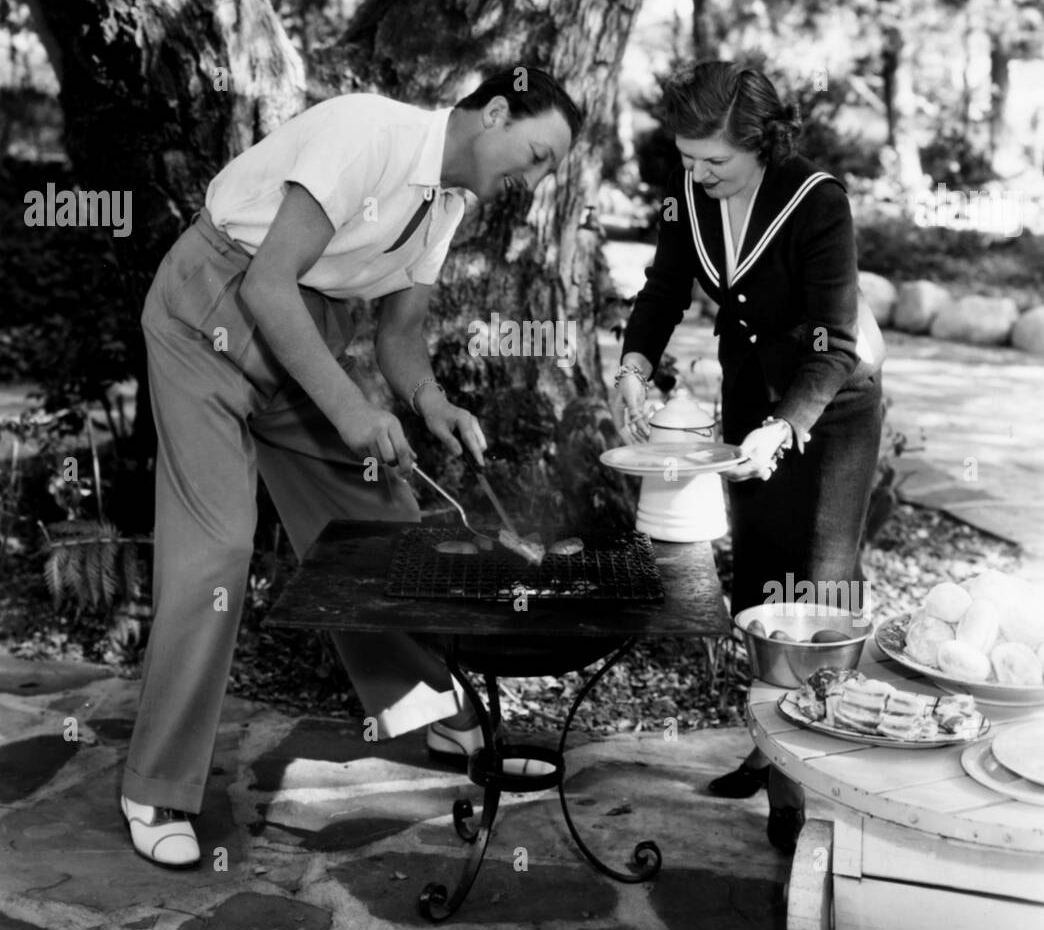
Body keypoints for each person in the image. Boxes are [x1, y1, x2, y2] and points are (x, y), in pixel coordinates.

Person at [120, 69, 581, 867]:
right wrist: (353, 411)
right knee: (218, 553)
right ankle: (155, 783)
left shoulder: (448, 203)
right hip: (213, 312)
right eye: (536, 155)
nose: (533, 182)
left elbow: (399, 339)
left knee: (379, 518)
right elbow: (268, 282)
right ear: (496, 111)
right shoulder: (369, 133)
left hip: (303, 334)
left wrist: (431, 403)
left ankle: (429, 704)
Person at [611, 60, 883, 854]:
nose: (697, 175)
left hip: (829, 411)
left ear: (761, 142)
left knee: (822, 589)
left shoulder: (817, 201)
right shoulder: (691, 191)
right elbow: (664, 290)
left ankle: (819, 777)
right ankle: (773, 758)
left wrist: (785, 423)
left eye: (714, 164)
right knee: (763, 582)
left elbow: (833, 341)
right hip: (748, 405)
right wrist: (632, 366)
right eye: (687, 159)